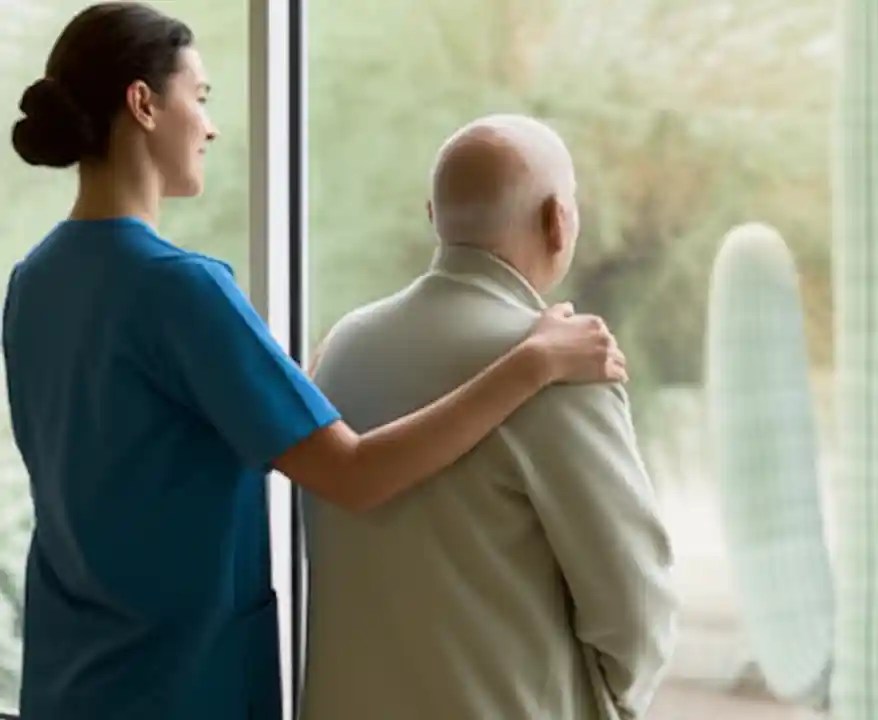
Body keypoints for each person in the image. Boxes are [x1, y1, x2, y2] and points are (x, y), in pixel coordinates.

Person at [3, 4, 627, 719]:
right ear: (143, 104)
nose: (209, 126)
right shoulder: (179, 288)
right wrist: (533, 363)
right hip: (178, 685)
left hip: (67, 683)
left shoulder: (35, 279)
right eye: (198, 99)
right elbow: (354, 476)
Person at [300, 114, 677, 720]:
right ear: (558, 221)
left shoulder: (345, 345)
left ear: (433, 216)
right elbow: (633, 603)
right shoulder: (562, 365)